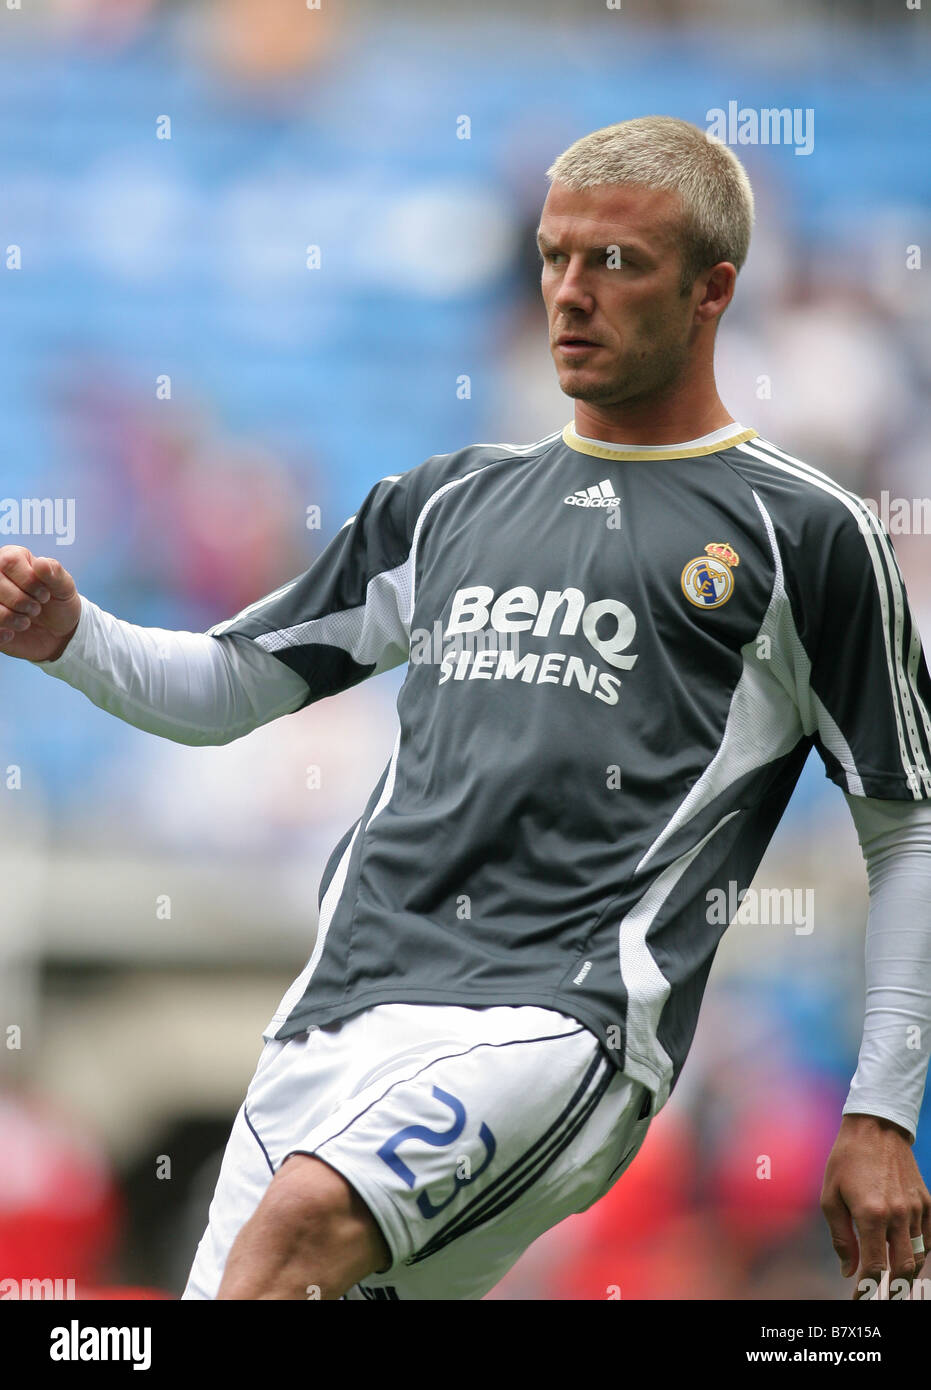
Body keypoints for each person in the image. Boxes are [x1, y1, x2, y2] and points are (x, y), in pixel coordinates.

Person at [3, 116, 930, 1302]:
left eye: (614, 263)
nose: (568, 293)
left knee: (295, 1234)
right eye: (552, 257)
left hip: (558, 1019)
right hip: (333, 1016)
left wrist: (881, 1110)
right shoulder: (444, 504)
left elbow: (903, 827)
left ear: (713, 291)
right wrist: (69, 639)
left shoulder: (805, 534)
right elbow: (232, 685)